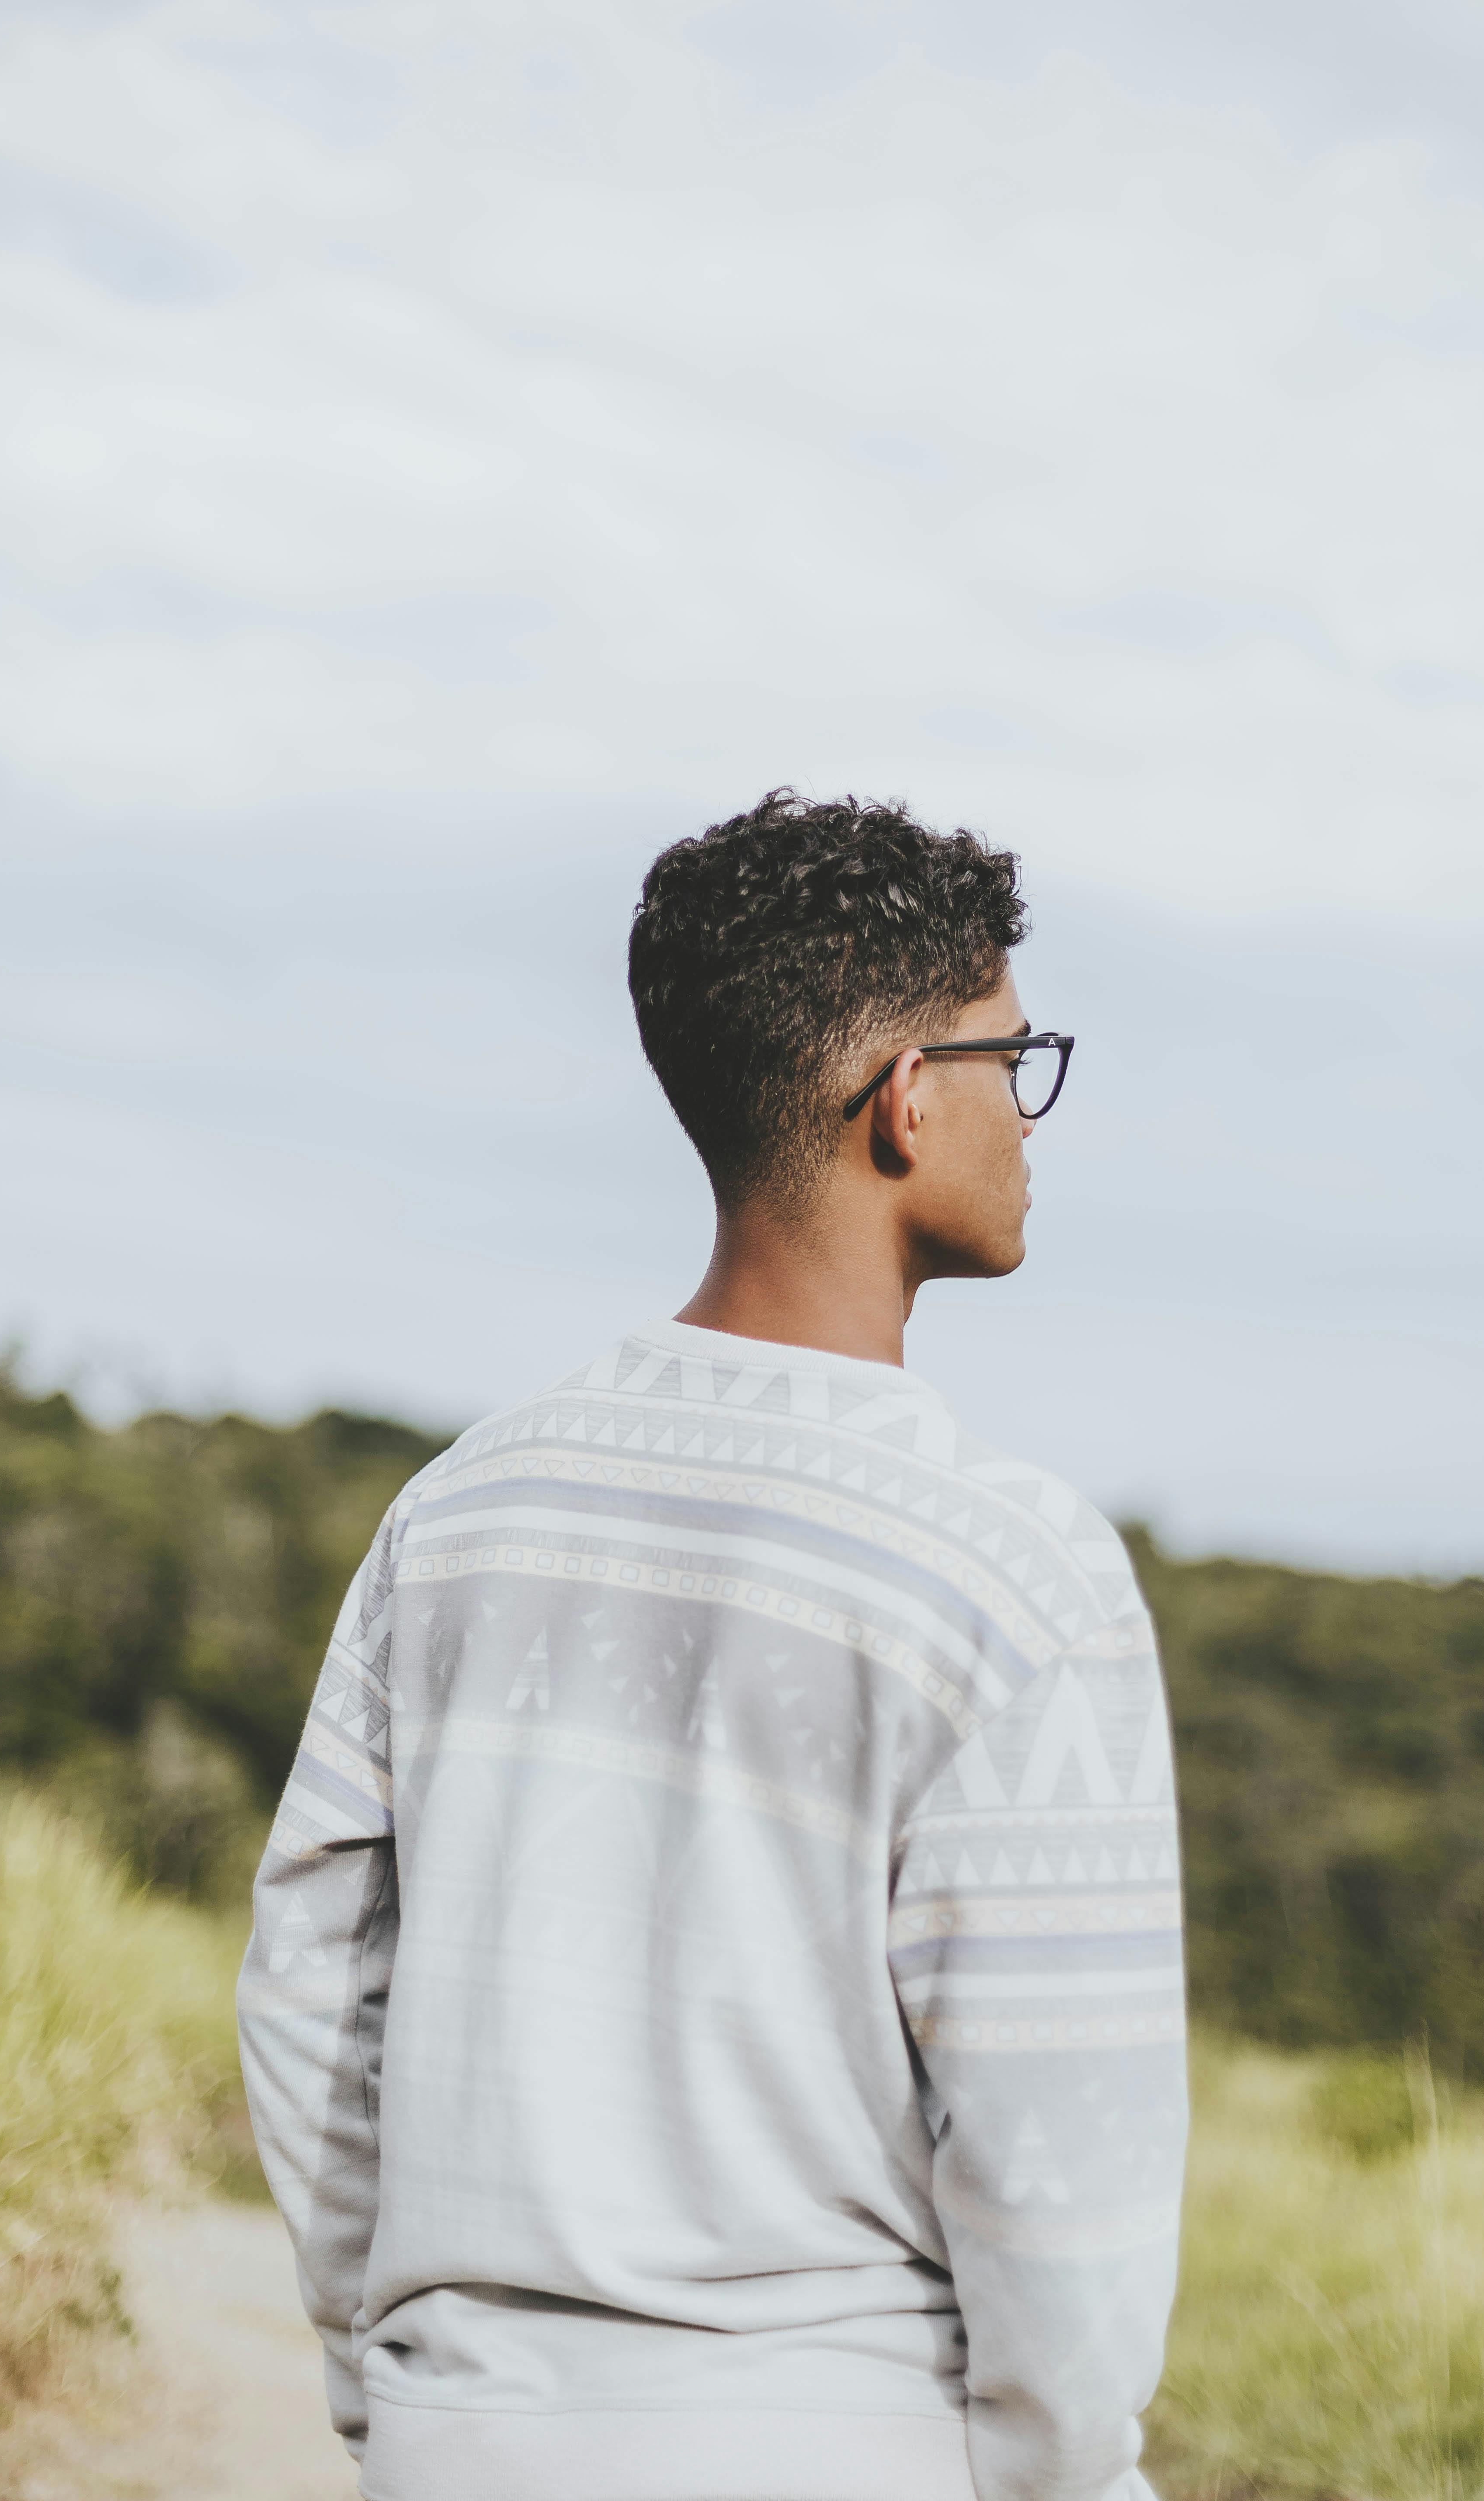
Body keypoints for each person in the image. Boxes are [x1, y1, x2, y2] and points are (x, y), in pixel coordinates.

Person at [238, 790, 1188, 2501]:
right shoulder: (1016, 1571)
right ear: (907, 1101)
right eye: (1013, 1059)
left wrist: (401, 2394)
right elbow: (1064, 2185)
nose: (1033, 1116)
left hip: (464, 2445)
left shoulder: (460, 1513)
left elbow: (313, 1997)